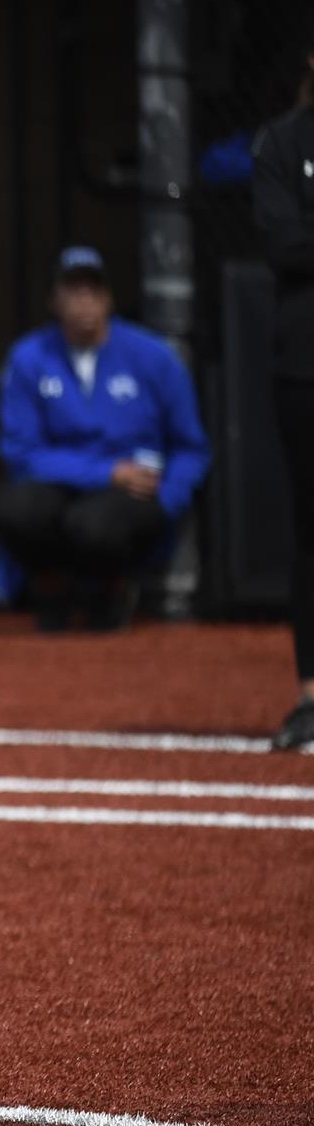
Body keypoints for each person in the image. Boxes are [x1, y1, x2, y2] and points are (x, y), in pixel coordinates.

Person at [0, 247, 210, 632]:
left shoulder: (153, 355)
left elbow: (190, 446)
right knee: (15, 509)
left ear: (108, 297)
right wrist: (105, 472)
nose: (84, 301)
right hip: (66, 484)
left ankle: (111, 591)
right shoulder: (29, 357)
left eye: (93, 290)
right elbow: (20, 452)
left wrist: (167, 498)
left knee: (94, 526)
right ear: (53, 300)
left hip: (131, 494)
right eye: (73, 290)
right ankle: (53, 590)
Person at [255, 31, 314, 750]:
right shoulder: (281, 142)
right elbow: (284, 246)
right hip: (306, 361)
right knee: (312, 531)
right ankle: (310, 693)